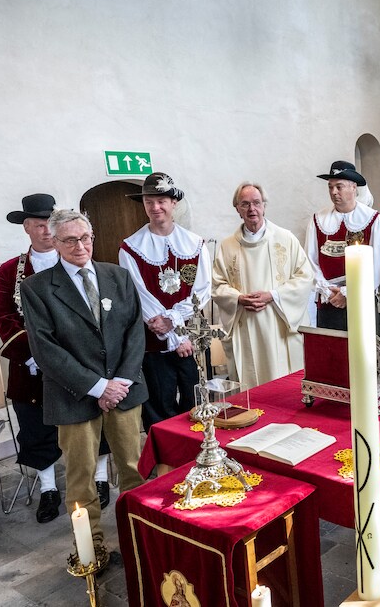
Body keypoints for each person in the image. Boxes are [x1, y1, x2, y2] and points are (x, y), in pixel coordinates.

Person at [21, 208, 148, 554]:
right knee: (81, 477)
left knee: (134, 469)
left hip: (123, 391)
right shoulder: (37, 288)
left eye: (85, 238)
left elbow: (135, 332)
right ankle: (90, 545)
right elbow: (46, 349)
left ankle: (141, 534)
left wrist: (119, 381)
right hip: (73, 395)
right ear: (56, 242)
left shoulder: (117, 277)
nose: (80, 246)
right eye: (70, 240)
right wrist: (97, 386)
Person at [0, 193, 68, 522]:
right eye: (39, 224)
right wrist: (35, 354)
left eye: (51, 223)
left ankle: (97, 478)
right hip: (30, 364)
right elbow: (4, 318)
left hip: (78, 359)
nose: (47, 230)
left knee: (92, 419)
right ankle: (49, 487)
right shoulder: (11, 270)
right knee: (37, 427)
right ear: (26, 227)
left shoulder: (75, 258)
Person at [119, 172, 211, 430]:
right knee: (160, 403)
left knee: (198, 398)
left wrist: (176, 327)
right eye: (150, 201)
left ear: (174, 203)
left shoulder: (194, 243)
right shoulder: (131, 247)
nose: (155, 207)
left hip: (192, 334)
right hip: (153, 337)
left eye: (162, 201)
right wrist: (170, 334)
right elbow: (138, 293)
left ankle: (202, 453)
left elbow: (202, 290)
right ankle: (166, 463)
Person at [211, 182, 315, 389]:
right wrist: (238, 298)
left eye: (257, 203)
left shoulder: (285, 239)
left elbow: (305, 277)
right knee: (251, 387)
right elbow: (217, 286)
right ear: (237, 209)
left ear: (264, 206)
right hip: (245, 325)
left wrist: (274, 295)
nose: (252, 209)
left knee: (282, 387)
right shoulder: (227, 246)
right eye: (245, 204)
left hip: (279, 325)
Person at [304, 160, 380, 330]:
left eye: (339, 186)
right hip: (329, 299)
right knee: (330, 352)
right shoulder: (317, 220)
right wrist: (328, 290)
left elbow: (376, 266)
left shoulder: (373, 220)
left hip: (360, 300)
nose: (334, 192)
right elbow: (310, 260)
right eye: (330, 187)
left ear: (354, 187)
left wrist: (349, 293)